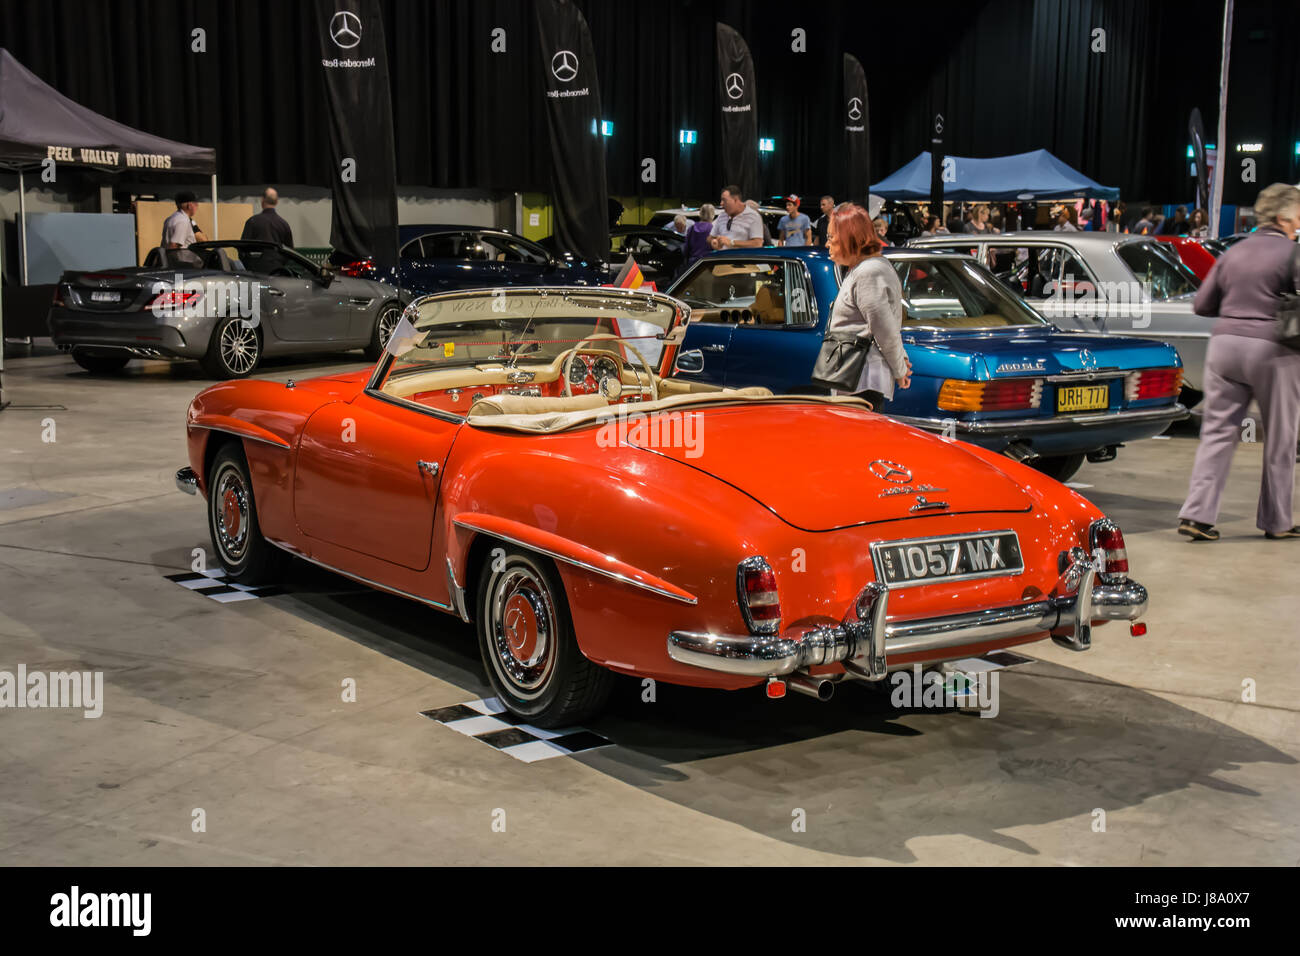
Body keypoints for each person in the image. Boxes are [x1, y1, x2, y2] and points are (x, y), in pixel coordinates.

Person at [1177, 182, 1300, 541]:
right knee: (1281, 437)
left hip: (1224, 347)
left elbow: (1201, 305)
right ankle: (1277, 522)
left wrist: (1236, 312)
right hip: (1272, 350)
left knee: (1216, 433)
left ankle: (1196, 516)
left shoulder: (1233, 253)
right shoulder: (1291, 253)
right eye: (1296, 218)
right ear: (1282, 217)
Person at [823, 202, 911, 410]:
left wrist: (899, 369)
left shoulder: (869, 272)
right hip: (854, 377)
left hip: (861, 379)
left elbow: (884, 328)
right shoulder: (863, 269)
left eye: (830, 237)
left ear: (848, 237)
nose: (827, 244)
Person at [708, 185, 764, 250]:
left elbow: (757, 243)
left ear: (736, 200)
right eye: (721, 200)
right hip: (722, 258)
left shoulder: (753, 216)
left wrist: (732, 243)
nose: (721, 203)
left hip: (741, 259)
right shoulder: (722, 216)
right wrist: (714, 241)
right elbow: (710, 238)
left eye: (724, 200)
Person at [682, 203, 715, 267]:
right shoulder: (714, 229)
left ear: (700, 213)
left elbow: (686, 249)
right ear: (712, 214)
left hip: (693, 264)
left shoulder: (691, 228)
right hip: (708, 263)